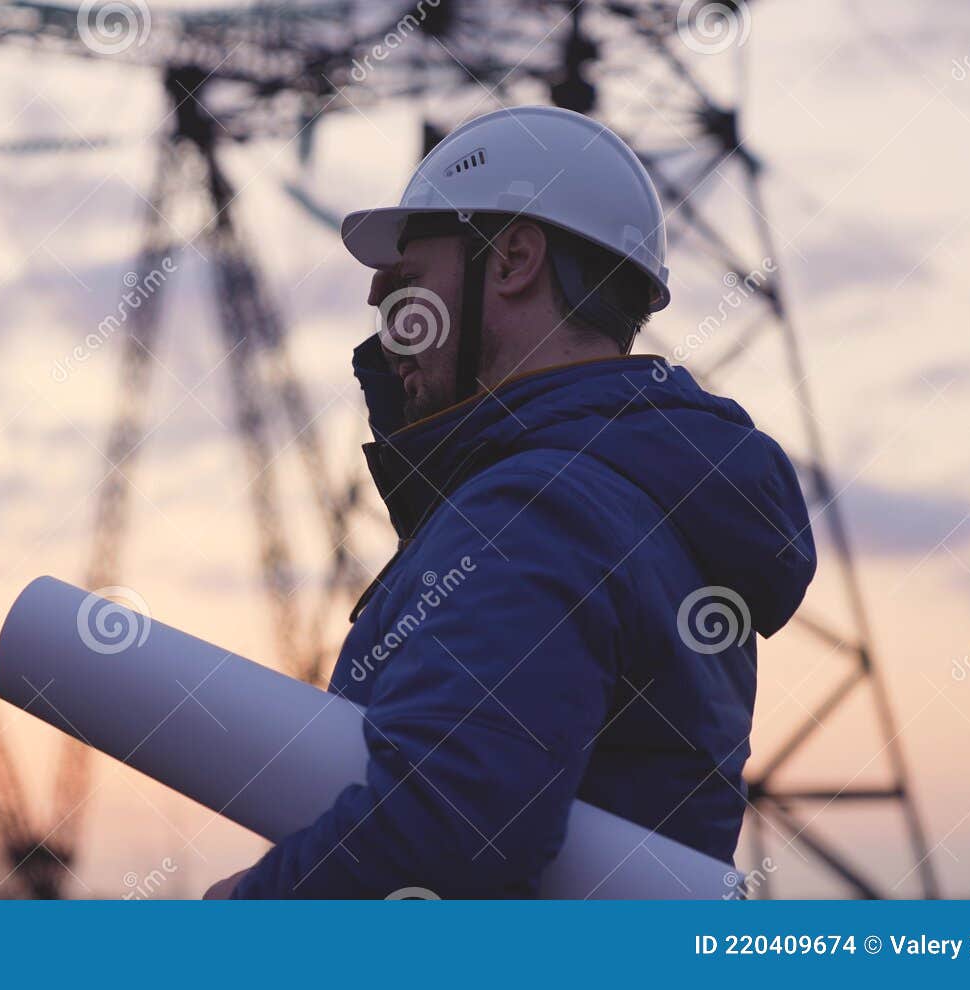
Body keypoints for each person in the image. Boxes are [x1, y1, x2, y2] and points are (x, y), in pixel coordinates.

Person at [204, 105, 816, 899]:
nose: (381, 306)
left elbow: (443, 830)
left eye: (409, 282)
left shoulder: (541, 511)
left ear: (513, 260)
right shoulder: (635, 499)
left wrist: (237, 919)